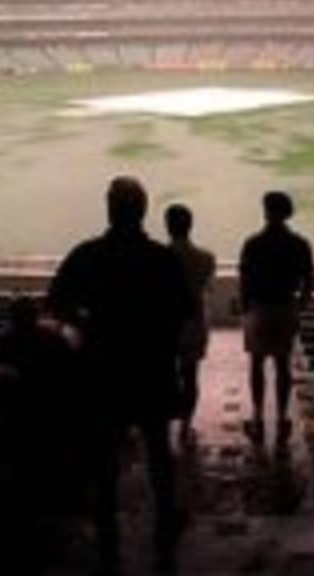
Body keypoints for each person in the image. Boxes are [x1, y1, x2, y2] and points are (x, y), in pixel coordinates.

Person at [45, 176, 191, 573]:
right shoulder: (163, 260)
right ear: (143, 211)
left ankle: (108, 539)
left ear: (109, 210)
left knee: (104, 459)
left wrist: (88, 325)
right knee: (158, 452)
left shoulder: (87, 255)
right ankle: (164, 526)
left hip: (103, 372)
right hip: (152, 370)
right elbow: (184, 312)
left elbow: (56, 304)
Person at [238, 191, 314, 446]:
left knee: (256, 363)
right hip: (285, 306)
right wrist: (299, 306)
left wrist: (245, 309)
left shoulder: (253, 243)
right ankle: (282, 417)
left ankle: (258, 415)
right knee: (283, 365)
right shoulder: (300, 244)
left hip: (259, 308)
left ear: (266, 211)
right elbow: (309, 280)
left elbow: (244, 281)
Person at [164, 203, 216, 446]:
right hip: (194, 323)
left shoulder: (158, 256)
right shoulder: (206, 258)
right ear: (190, 225)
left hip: (165, 324)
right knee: (190, 376)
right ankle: (186, 425)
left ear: (168, 226)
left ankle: (163, 422)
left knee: (164, 374)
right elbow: (206, 287)